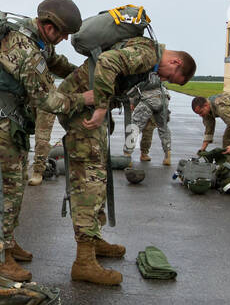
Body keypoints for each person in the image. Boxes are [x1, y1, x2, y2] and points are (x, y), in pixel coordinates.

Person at [58, 38, 197, 285]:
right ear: (175, 61)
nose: (164, 80)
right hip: (80, 109)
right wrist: (102, 107)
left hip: (85, 109)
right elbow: (107, 61)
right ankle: (83, 262)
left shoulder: (148, 55)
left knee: (98, 178)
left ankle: (94, 242)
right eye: (171, 76)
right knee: (88, 183)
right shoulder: (148, 55)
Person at [0, 0, 82, 281]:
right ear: (50, 26)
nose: (65, 39)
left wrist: (81, 72)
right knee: (5, 189)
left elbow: (57, 62)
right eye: (64, 34)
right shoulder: (26, 50)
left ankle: (9, 242)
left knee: (14, 187)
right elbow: (46, 99)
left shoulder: (37, 41)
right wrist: (82, 97)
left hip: (9, 123)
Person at [123, 82, 173, 166]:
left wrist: (132, 101)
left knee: (134, 128)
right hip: (164, 98)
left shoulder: (141, 73)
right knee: (163, 128)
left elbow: (134, 88)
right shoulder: (157, 74)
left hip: (149, 99)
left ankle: (127, 156)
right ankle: (168, 156)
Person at [27, 109, 59, 186]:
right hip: (26, 99)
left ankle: (38, 171)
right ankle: (23, 166)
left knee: (42, 137)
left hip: (46, 101)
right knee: (23, 128)